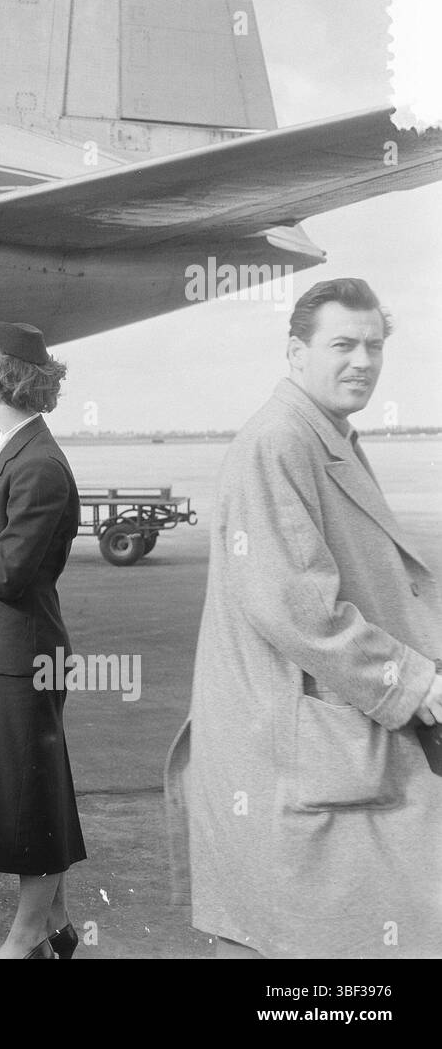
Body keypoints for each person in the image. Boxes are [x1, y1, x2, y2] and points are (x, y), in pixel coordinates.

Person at [166, 278, 442, 959]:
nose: (363, 361)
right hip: (293, 743)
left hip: (313, 736)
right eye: (343, 344)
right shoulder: (281, 440)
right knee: (315, 937)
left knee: (319, 932)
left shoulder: (320, 433)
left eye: (374, 345)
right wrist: (415, 683)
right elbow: (297, 606)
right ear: (296, 352)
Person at [0, 322, 86, 960]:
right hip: (11, 652)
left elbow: (11, 571)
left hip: (27, 657)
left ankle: (22, 940)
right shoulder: (17, 448)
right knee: (30, 788)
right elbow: (5, 562)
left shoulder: (38, 465)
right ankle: (56, 930)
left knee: (31, 798)